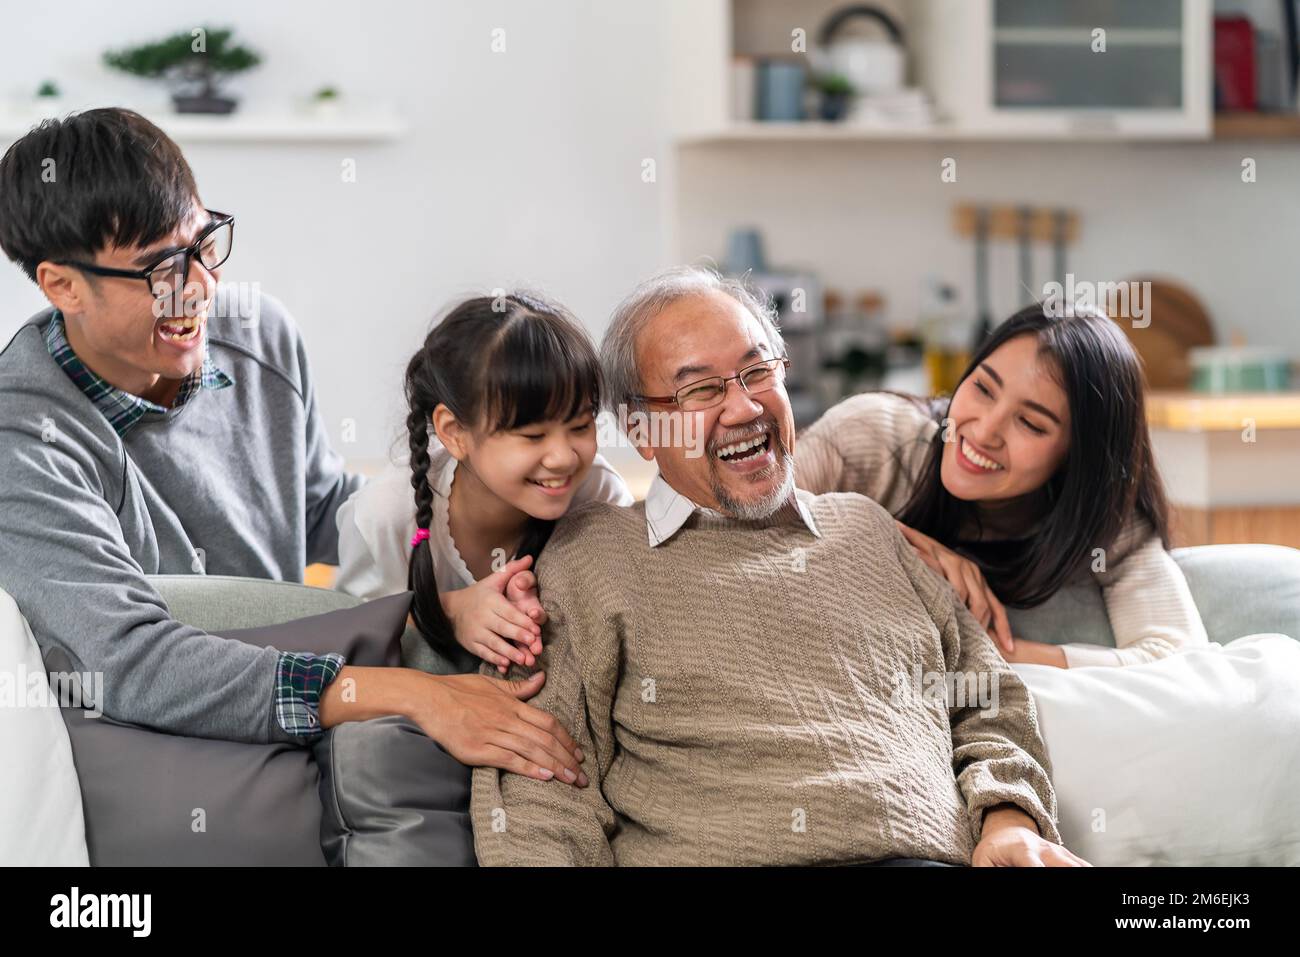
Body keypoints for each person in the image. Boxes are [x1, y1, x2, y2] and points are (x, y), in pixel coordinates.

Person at [0, 108, 580, 865]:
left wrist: (457, 585)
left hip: (302, 704)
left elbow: (328, 515)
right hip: (157, 748)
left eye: (204, 244)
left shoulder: (258, 336)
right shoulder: (26, 438)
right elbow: (128, 661)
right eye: (157, 269)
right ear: (61, 285)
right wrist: (403, 689)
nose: (198, 289)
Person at [471, 266, 1090, 867]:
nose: (742, 408)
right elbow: (539, 791)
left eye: (756, 371)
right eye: (701, 390)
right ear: (641, 428)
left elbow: (986, 701)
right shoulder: (590, 556)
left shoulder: (868, 529)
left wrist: (1009, 822)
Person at [796, 304, 1209, 668]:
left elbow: (1180, 659)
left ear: (1078, 457)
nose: (984, 431)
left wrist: (1004, 652)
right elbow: (743, 529)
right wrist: (899, 547)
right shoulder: (873, 434)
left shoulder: (1106, 524)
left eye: (1030, 423)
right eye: (982, 388)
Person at [335, 292, 632, 690]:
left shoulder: (598, 493)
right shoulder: (384, 516)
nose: (562, 457)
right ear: (455, 433)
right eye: (532, 435)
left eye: (580, 426)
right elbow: (346, 647)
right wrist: (445, 613)